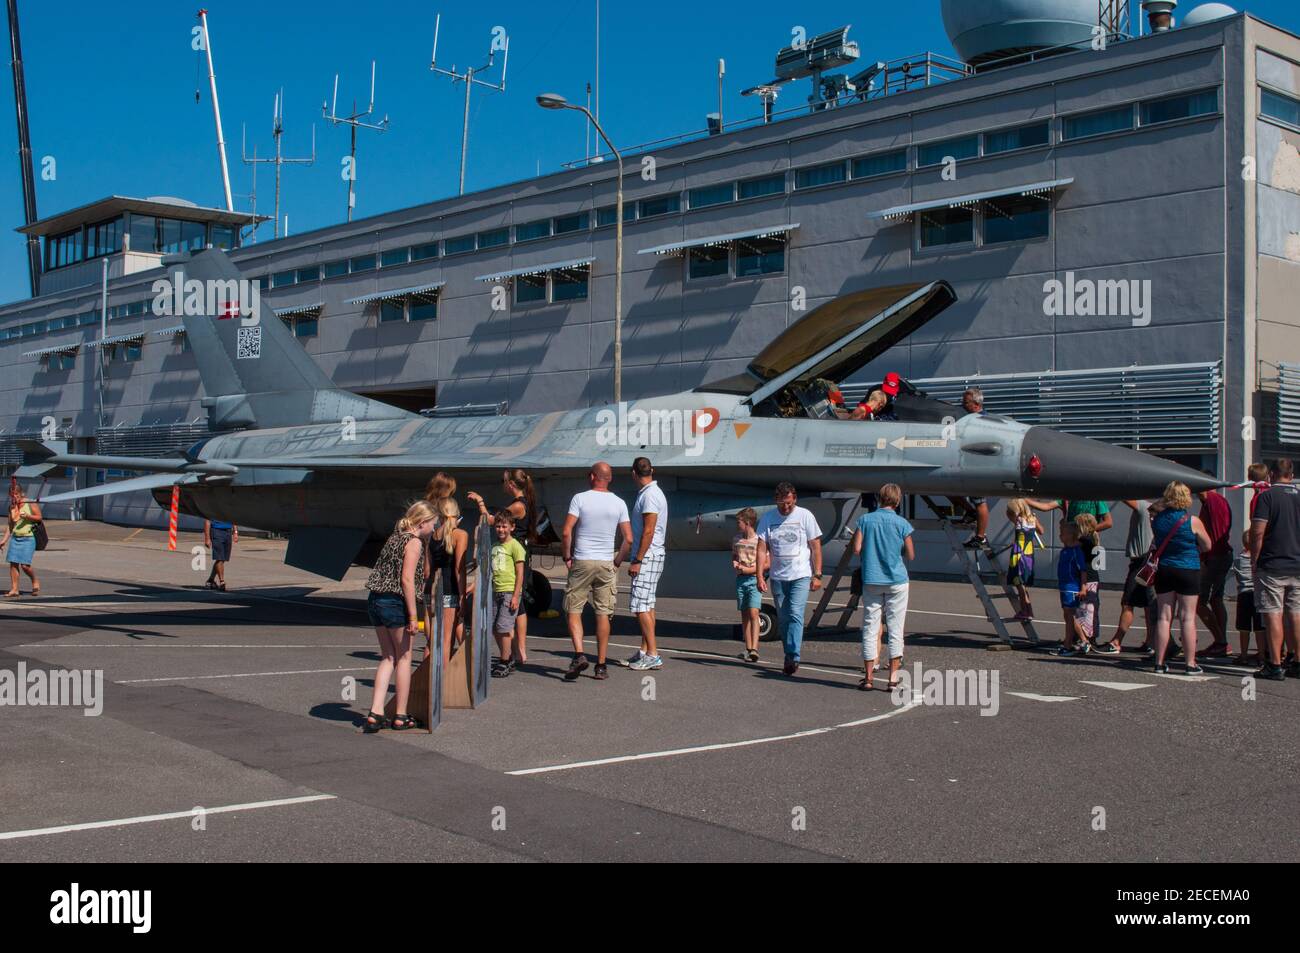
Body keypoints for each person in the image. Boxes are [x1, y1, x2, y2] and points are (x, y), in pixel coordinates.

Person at [360, 501, 437, 732]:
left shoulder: (395, 537)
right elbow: (407, 580)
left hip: (375, 599)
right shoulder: (413, 542)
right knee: (404, 657)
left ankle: (376, 711)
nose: (434, 528)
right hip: (394, 602)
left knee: (388, 657)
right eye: (433, 524)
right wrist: (413, 615)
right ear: (422, 522)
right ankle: (401, 714)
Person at [561, 462, 632, 682]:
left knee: (574, 609)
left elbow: (566, 532)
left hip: (582, 560)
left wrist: (567, 557)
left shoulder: (580, 498)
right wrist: (617, 561)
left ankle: (579, 654)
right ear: (609, 478)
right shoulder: (619, 503)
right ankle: (601, 666)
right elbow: (629, 539)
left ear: (592, 476)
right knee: (603, 613)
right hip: (605, 562)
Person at [467, 468, 537, 664]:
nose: (503, 484)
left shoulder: (518, 505)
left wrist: (480, 502)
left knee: (516, 604)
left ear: (511, 485)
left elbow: (492, 520)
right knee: (519, 607)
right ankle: (518, 650)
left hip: (512, 555)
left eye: (504, 481)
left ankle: (518, 650)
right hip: (517, 552)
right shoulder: (525, 501)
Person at [756, 482, 824, 676]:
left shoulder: (805, 516)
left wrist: (817, 574)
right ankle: (788, 653)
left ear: (795, 499)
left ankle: (794, 656)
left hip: (800, 574)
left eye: (789, 503)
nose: (786, 507)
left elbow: (815, 546)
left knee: (795, 614)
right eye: (782, 503)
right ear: (776, 500)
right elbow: (761, 548)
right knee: (784, 619)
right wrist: (760, 575)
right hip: (778, 576)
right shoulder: (768, 518)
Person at [852, 483, 914, 691]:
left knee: (870, 627)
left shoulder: (865, 520)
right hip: (896, 580)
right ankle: (893, 679)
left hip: (872, 578)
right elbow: (911, 554)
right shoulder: (902, 523)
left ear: (879, 498)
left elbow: (857, 548)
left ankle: (869, 677)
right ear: (898, 500)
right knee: (896, 629)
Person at [1150, 481, 1213, 676]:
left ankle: (1159, 662)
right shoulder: (1192, 520)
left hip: (1165, 569)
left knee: (1163, 617)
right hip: (1188, 569)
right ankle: (1190, 663)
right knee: (1187, 617)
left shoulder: (1157, 520)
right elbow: (1207, 545)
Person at [1249, 458, 1300, 680]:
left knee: (1273, 613)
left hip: (1273, 564)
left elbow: (1258, 531)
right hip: (1297, 563)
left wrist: (1254, 559)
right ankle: (1297, 661)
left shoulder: (1267, 497)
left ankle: (1275, 664)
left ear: (1271, 474)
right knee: (1295, 613)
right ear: (1292, 475)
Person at [1096, 500, 1157, 656]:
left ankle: (1116, 642)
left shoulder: (1144, 506)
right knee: (1148, 604)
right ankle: (1151, 642)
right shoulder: (1152, 509)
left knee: (1127, 603)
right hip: (1146, 561)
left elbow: (1123, 495)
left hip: (1141, 562)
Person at [626, 457, 668, 672]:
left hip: (648, 556)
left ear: (634, 473)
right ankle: (645, 651)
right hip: (652, 555)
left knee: (640, 606)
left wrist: (638, 559)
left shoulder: (650, 495)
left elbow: (648, 530)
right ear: (652, 470)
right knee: (647, 605)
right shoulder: (651, 492)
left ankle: (653, 654)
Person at [427, 497, 468, 671]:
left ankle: (428, 678)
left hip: (431, 588)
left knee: (431, 641)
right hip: (449, 589)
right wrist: (463, 596)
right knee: (446, 640)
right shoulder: (460, 534)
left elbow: (427, 570)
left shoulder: (433, 535)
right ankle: (442, 681)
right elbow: (459, 569)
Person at [1196, 487, 1234, 658]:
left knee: (1199, 602)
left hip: (1216, 557)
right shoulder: (1214, 501)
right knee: (1216, 598)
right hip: (1220, 555)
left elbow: (1215, 533)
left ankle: (1221, 642)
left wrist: (1206, 558)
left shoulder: (1212, 501)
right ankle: (1221, 641)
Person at [488, 511, 527, 678]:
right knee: (494, 628)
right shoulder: (494, 546)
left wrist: (516, 596)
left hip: (509, 592)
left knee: (504, 628)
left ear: (512, 527)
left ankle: (504, 661)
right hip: (496, 591)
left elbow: (520, 573)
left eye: (504, 526)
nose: (501, 529)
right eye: (498, 526)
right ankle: (508, 656)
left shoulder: (515, 546)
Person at [732, 507, 764, 663]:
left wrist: (749, 570)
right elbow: (734, 555)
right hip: (741, 579)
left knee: (754, 612)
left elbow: (766, 563)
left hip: (754, 578)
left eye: (739, 522)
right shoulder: (736, 539)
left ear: (747, 522)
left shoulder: (759, 541)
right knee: (744, 613)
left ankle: (755, 649)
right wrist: (735, 563)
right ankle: (748, 647)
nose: (737, 525)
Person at [1055, 520, 1090, 656]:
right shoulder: (1065, 550)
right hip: (1064, 586)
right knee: (1068, 615)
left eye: (1062, 533)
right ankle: (1084, 640)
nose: (1060, 536)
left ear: (1070, 535)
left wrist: (1083, 587)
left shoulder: (1076, 551)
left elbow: (1083, 571)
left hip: (1072, 587)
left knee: (1069, 616)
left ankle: (1068, 645)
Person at [2, 482, 42, 598]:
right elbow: (10, 526)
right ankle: (14, 589)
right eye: (12, 495)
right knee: (13, 564)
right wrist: (3, 541)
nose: (14, 497)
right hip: (16, 538)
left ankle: (34, 580)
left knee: (25, 566)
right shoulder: (11, 507)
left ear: (21, 493)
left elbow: (39, 518)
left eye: (16, 494)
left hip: (28, 538)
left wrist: (28, 516)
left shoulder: (30, 503)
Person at [1005, 499, 1041, 621]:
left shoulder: (1018, 520)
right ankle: (1029, 611)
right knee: (1023, 585)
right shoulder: (1033, 519)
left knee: (1019, 584)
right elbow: (1041, 531)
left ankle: (1024, 611)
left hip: (1018, 555)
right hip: (1028, 554)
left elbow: (1010, 516)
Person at [1232, 530, 1262, 667]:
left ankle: (1243, 656)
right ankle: (1262, 656)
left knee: (1244, 628)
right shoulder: (1260, 559)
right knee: (1260, 628)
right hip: (1257, 594)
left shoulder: (1238, 560)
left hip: (1243, 594)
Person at [1027, 498, 1114, 534]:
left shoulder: (1095, 498)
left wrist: (1086, 530)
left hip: (1090, 545)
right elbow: (1046, 506)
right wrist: (1025, 500)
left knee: (1089, 567)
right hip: (1072, 543)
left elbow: (1108, 522)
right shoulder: (1068, 499)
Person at [204, 519, 237, 591]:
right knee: (219, 558)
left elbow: (233, 517)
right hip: (216, 531)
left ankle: (210, 580)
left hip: (228, 531)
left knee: (223, 558)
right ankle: (222, 582)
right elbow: (207, 521)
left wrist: (235, 532)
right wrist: (207, 538)